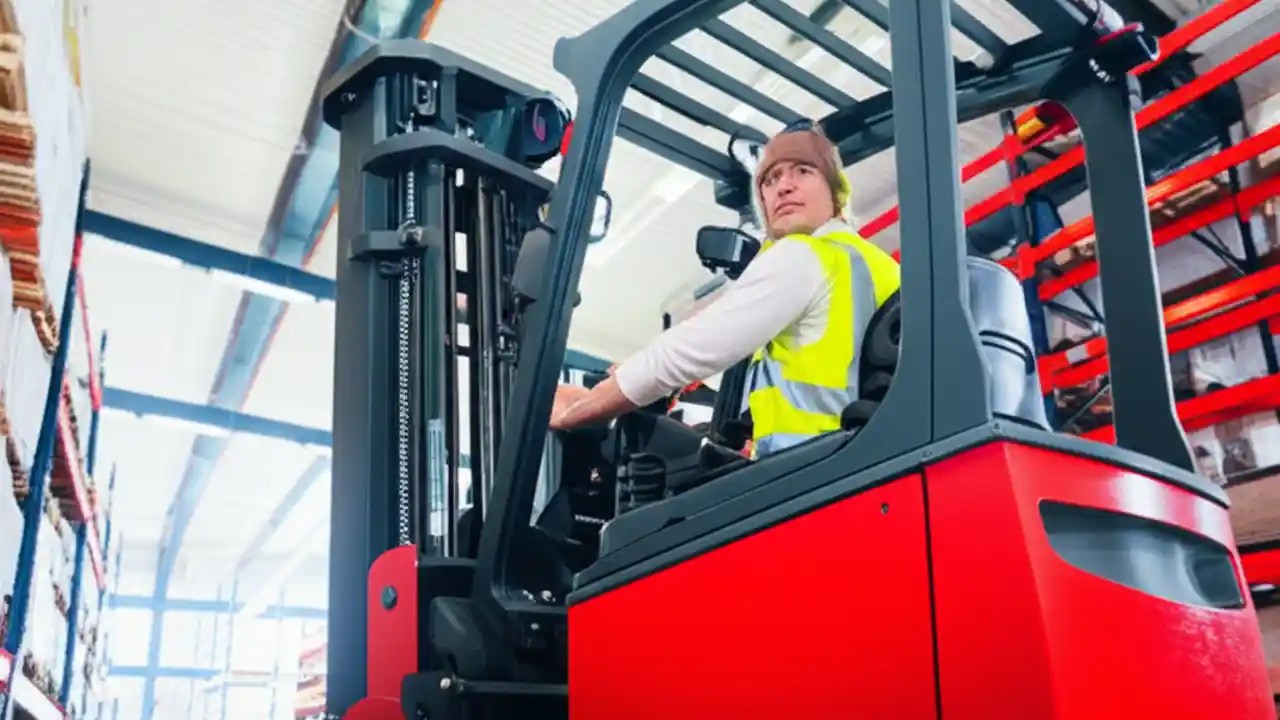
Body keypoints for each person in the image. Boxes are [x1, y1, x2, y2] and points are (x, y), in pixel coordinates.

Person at [550, 122, 901, 457]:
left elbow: (691, 351)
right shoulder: (879, 267)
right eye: (771, 178)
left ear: (836, 193)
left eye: (803, 172)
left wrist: (582, 409)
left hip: (811, 471)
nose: (783, 186)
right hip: (860, 459)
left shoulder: (804, 256)